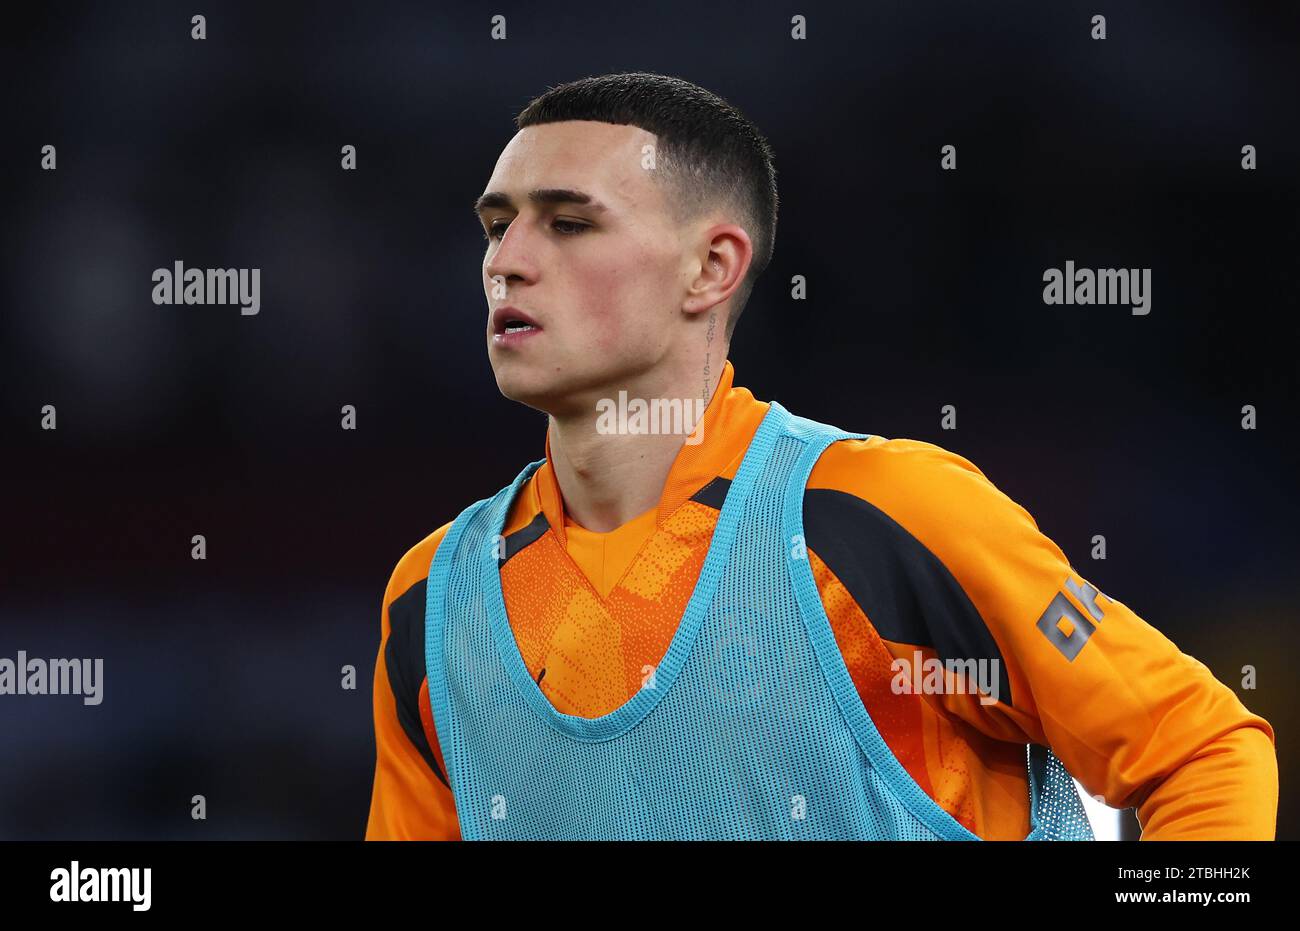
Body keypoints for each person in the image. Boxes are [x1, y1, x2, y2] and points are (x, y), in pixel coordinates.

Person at [365, 72, 1277, 840]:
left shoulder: (884, 517)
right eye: (497, 224)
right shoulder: (432, 602)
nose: (508, 260)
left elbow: (1203, 753)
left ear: (712, 267)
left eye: (567, 223)